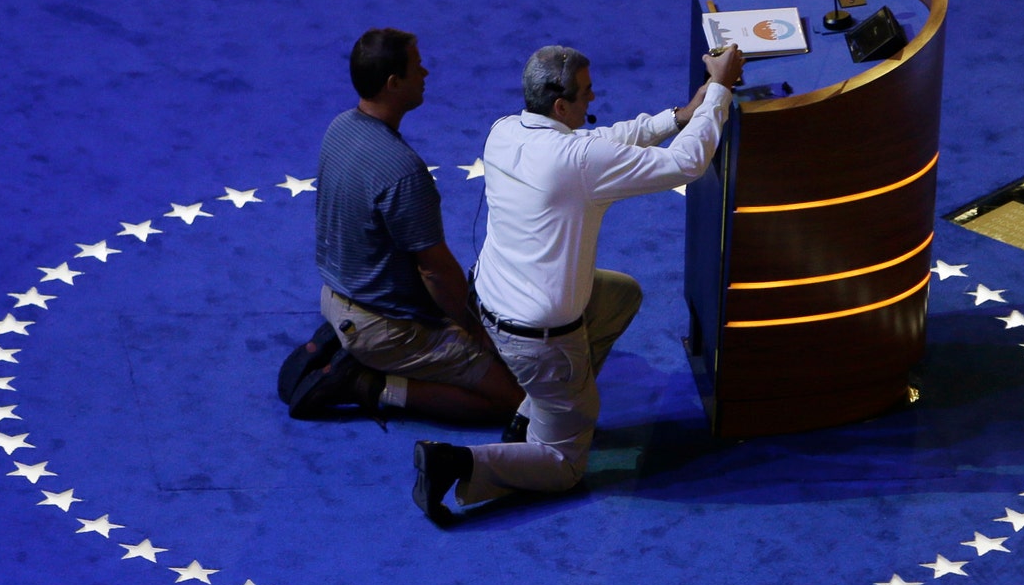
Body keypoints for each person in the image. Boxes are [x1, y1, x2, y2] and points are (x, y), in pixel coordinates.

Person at [411, 41, 743, 523]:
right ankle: (457, 462)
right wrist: (719, 90)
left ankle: (538, 409)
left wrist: (677, 117)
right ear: (560, 106)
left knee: (620, 295)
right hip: (539, 338)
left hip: (490, 302)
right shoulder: (577, 160)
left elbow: (601, 141)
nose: (593, 99)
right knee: (565, 465)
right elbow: (686, 164)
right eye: (585, 92)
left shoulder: (504, 130)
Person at [297, 28, 525, 424]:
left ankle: (354, 346)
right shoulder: (403, 172)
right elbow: (434, 271)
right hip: (383, 329)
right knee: (517, 402)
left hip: (334, 296)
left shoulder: (339, 127)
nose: (426, 73)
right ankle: (369, 384)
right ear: (393, 83)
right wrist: (475, 331)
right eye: (417, 67)